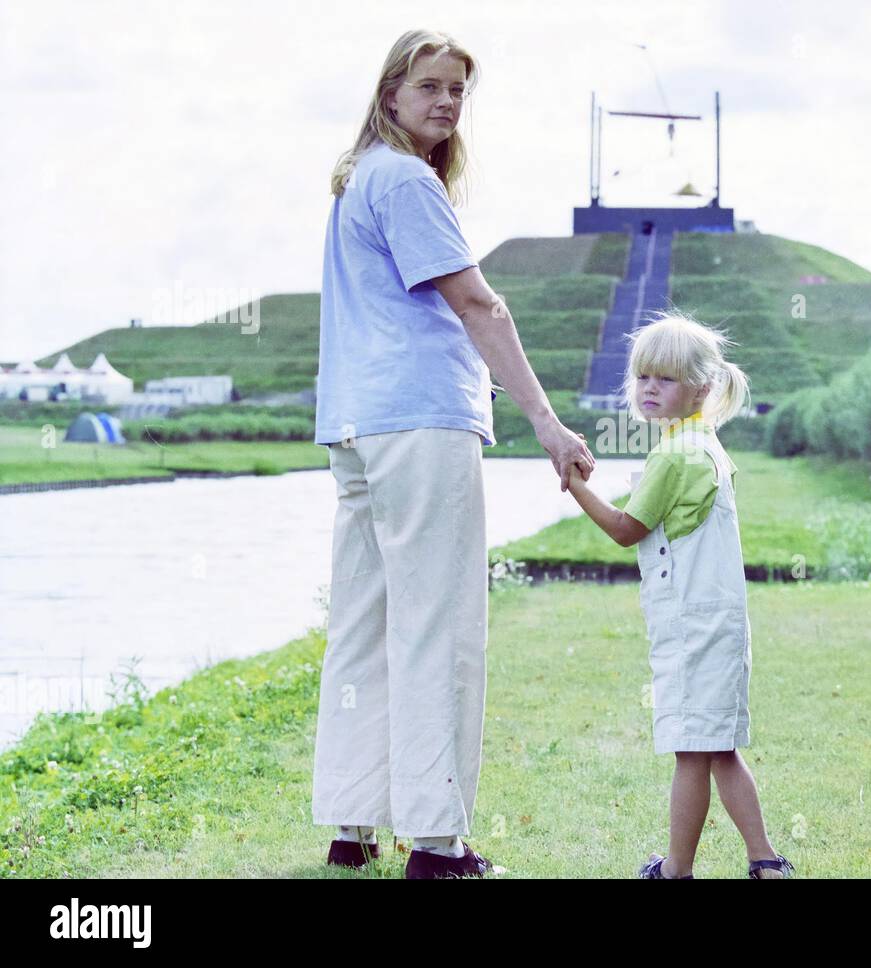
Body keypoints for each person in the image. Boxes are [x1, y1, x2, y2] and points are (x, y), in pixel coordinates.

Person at [311, 29, 595, 880]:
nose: (444, 101)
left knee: (365, 627)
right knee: (439, 629)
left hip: (359, 427)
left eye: (458, 90)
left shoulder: (361, 178)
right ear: (390, 92)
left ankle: (351, 825)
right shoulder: (402, 180)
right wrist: (548, 422)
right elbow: (481, 308)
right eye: (428, 85)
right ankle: (438, 844)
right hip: (420, 424)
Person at [563, 311, 795, 879]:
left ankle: (676, 871)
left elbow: (625, 529)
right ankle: (765, 861)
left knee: (693, 749)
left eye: (664, 378)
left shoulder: (672, 453)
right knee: (719, 748)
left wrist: (574, 483)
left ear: (701, 386)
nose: (649, 388)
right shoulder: (705, 444)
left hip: (694, 625)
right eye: (643, 376)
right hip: (719, 622)